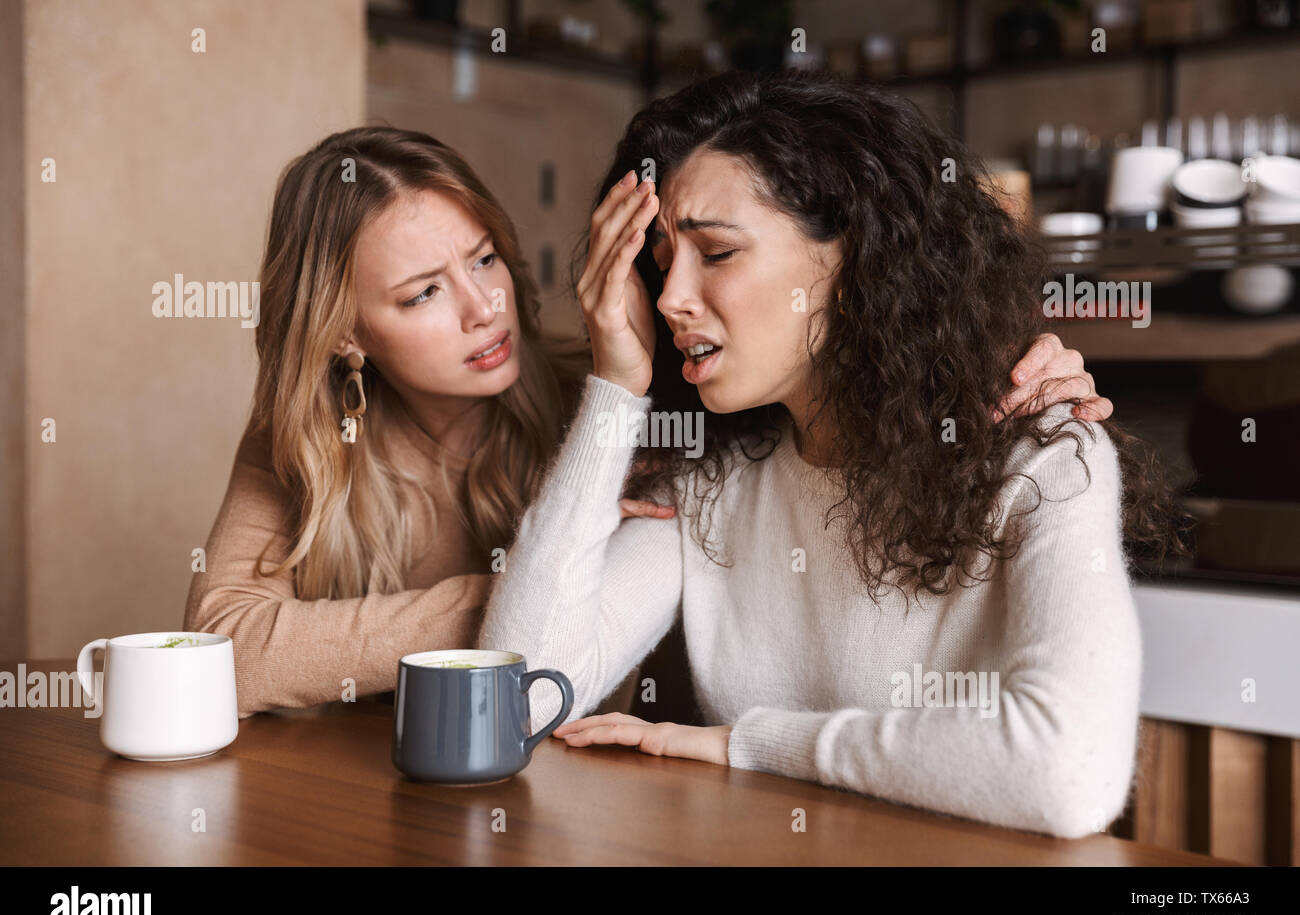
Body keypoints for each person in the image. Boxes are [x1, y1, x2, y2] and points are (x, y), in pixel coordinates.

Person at [184, 124, 1113, 720]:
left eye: (486, 260)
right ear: (344, 333)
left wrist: (998, 357)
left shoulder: (610, 407)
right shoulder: (301, 441)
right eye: (426, 292)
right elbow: (224, 655)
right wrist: (502, 600)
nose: (484, 309)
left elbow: (828, 359)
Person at [476, 70, 1188, 838]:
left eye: (715, 252)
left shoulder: (1045, 457)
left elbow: (1068, 773)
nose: (671, 295)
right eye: (659, 260)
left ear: (852, 262)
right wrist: (617, 386)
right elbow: (513, 701)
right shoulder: (712, 483)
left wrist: (750, 745)